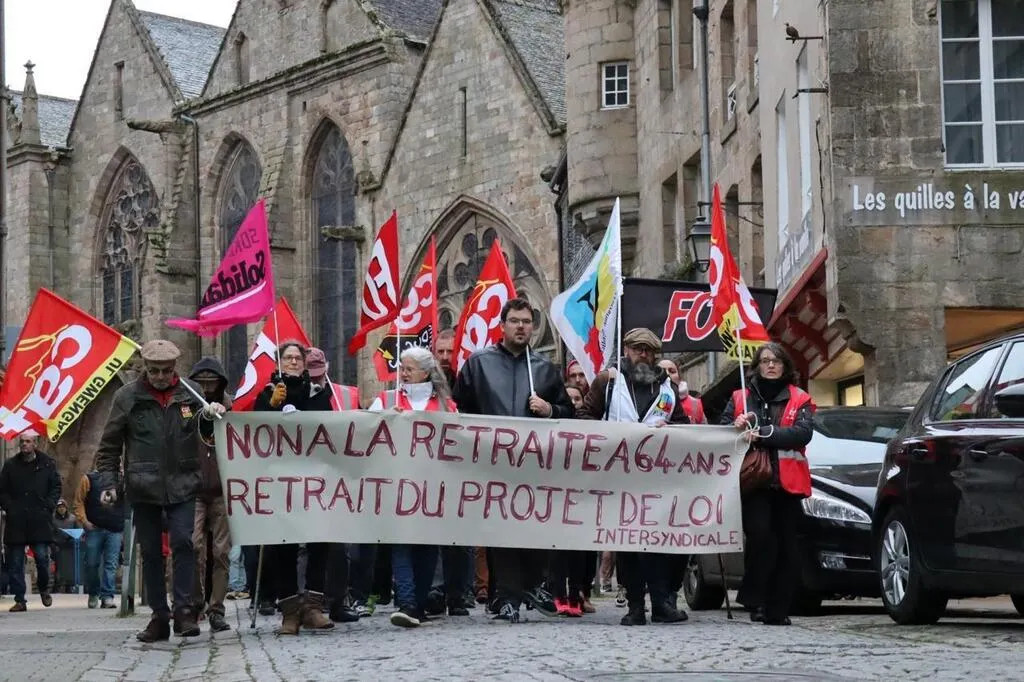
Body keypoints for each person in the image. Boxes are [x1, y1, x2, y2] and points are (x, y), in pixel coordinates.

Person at [453, 297, 574, 623]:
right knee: (502, 529)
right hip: (492, 463)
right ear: (502, 325)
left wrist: (549, 409)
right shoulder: (478, 364)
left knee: (533, 525)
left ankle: (531, 584)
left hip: (534, 464)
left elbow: (569, 414)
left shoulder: (544, 368)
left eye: (526, 321)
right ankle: (507, 597)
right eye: (515, 321)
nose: (521, 327)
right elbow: (459, 410)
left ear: (533, 327)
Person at [95, 339, 225, 642]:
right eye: (154, 371)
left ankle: (184, 611)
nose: (160, 376)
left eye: (166, 370)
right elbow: (109, 446)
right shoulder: (127, 397)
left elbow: (207, 437)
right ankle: (159, 616)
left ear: (174, 367)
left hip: (183, 482)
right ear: (145, 367)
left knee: (184, 543)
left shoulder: (191, 393)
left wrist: (211, 416)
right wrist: (109, 483)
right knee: (151, 552)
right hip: (143, 485)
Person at [578, 328, 689, 626]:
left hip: (656, 476)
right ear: (626, 349)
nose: (643, 354)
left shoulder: (667, 387)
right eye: (638, 348)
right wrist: (608, 434)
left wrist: (671, 431)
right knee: (627, 542)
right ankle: (635, 606)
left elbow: (684, 426)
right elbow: (585, 417)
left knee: (654, 541)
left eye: (649, 350)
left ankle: (661, 603)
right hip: (618, 475)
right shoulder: (608, 381)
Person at [722, 341, 814, 626]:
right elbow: (722, 431)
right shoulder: (740, 396)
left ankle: (777, 608)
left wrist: (762, 432)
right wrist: (736, 426)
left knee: (787, 547)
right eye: (765, 361)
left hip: (787, 483)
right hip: (754, 481)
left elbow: (802, 433)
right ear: (757, 366)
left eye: (776, 360)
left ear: (785, 366)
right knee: (761, 537)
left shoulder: (800, 398)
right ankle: (756, 599)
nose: (771, 365)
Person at [365, 347, 456, 628]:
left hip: (433, 487)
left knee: (428, 546)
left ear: (425, 373)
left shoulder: (447, 406)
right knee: (401, 544)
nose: (402, 373)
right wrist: (383, 419)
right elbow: (364, 431)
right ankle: (406, 603)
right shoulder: (386, 400)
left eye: (408, 368)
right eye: (401, 368)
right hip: (397, 485)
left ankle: (419, 603)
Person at [254, 342, 335, 635]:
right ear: (279, 363)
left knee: (319, 542)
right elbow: (256, 429)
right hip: (280, 480)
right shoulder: (268, 393)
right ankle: (289, 611)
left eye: (297, 358)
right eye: (287, 358)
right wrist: (272, 407)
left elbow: (328, 425)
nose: (292, 362)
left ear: (303, 362)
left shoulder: (317, 392)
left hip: (314, 478)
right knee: (283, 545)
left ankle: (313, 607)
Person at [188, 357, 233, 633]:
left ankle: (217, 609)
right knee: (192, 547)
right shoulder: (186, 407)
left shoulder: (231, 408)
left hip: (223, 491)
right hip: (193, 490)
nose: (206, 389)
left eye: (211, 383)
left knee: (222, 553)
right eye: (201, 384)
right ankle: (195, 603)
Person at [0, 434, 61, 612]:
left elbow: (56, 486)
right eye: (22, 442)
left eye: (28, 441)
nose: (24, 444)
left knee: (42, 558)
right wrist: (10, 507)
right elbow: (2, 490)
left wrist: (48, 505)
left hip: (39, 519)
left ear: (35, 443)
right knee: (16, 562)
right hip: (17, 519)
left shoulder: (47, 464)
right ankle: (20, 599)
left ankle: (43, 589)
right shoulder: (10, 465)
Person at [73, 468, 125, 609]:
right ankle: (93, 592)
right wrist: (84, 521)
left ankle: (107, 596)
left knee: (111, 564)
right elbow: (78, 501)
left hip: (114, 528)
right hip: (94, 528)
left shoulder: (121, 479)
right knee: (91, 564)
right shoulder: (88, 479)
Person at [658, 358, 707, 424]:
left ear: (679, 377)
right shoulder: (646, 400)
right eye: (661, 371)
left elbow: (705, 429)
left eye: (672, 371)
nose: (667, 374)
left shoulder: (695, 404)